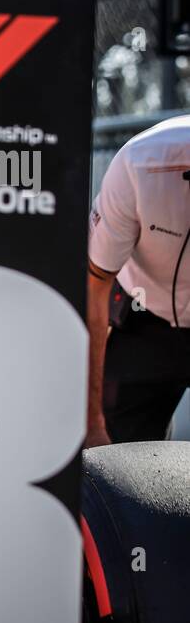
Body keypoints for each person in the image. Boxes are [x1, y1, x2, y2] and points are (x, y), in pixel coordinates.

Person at [87, 114, 190, 446]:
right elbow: (94, 287)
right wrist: (92, 422)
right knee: (117, 462)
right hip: (145, 318)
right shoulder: (140, 163)